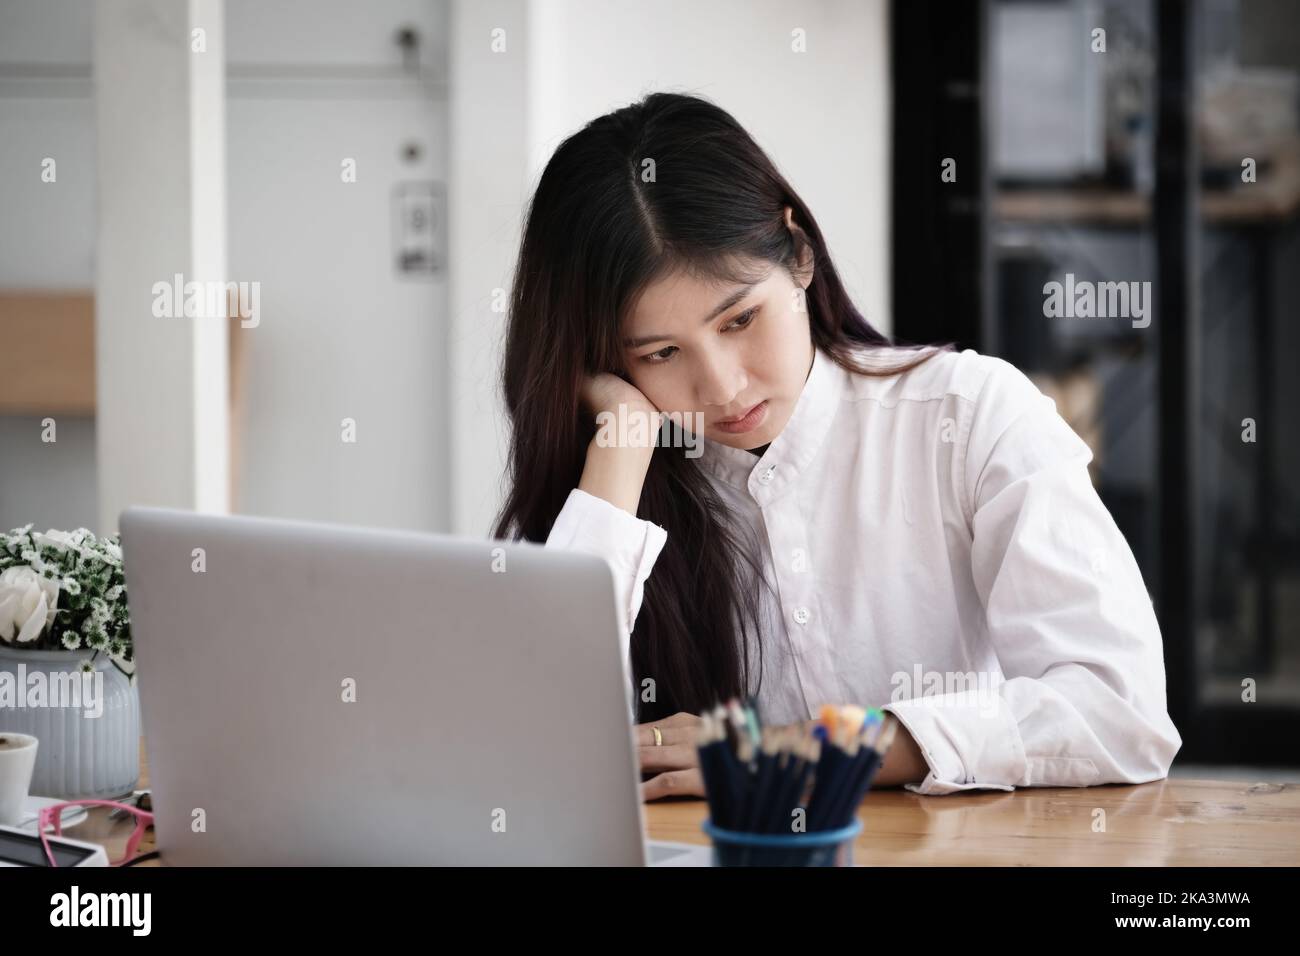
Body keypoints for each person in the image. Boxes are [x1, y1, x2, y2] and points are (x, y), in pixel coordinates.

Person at [493, 92, 1182, 800]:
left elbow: (1118, 710)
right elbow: (534, 752)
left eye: (740, 320)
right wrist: (620, 449)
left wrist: (805, 751)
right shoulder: (626, 475)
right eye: (662, 352)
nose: (724, 388)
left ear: (798, 255)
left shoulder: (968, 415)